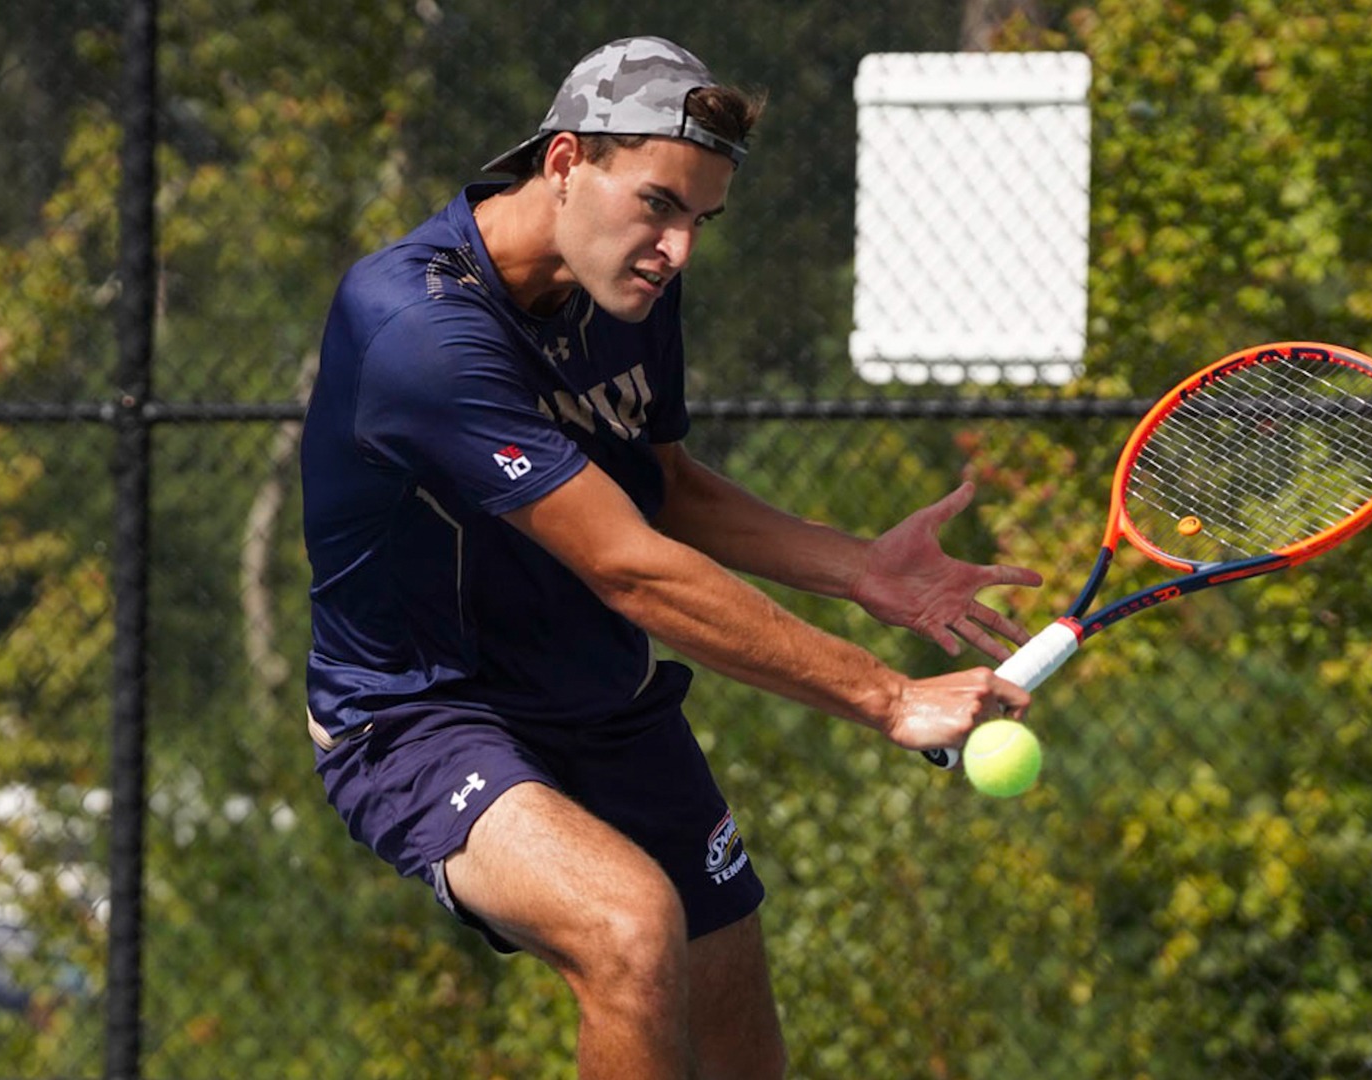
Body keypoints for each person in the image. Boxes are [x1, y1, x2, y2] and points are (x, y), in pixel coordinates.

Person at [301, 35, 1041, 1079]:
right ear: (564, 164)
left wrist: (860, 568)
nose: (679, 248)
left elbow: (671, 491)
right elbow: (629, 566)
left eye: (700, 219)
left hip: (602, 704)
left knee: (732, 1002)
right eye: (658, 204)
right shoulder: (415, 328)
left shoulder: (628, 291)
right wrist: (885, 696)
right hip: (421, 715)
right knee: (628, 926)